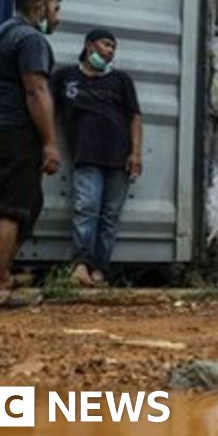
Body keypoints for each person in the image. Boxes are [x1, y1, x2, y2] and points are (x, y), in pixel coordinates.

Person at [0, 0, 62, 309]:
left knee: (28, 203)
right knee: (9, 209)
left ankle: (2, 277)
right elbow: (36, 90)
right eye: (55, 9)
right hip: (16, 131)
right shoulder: (30, 39)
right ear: (39, 7)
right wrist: (50, 142)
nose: (57, 17)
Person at [51, 29, 142, 287]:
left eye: (114, 47)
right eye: (106, 44)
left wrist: (135, 153)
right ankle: (80, 265)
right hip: (86, 156)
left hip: (119, 159)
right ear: (90, 46)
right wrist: (48, 143)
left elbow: (135, 117)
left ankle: (100, 269)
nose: (111, 51)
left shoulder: (121, 81)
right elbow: (47, 107)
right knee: (86, 209)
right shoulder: (66, 78)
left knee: (109, 216)